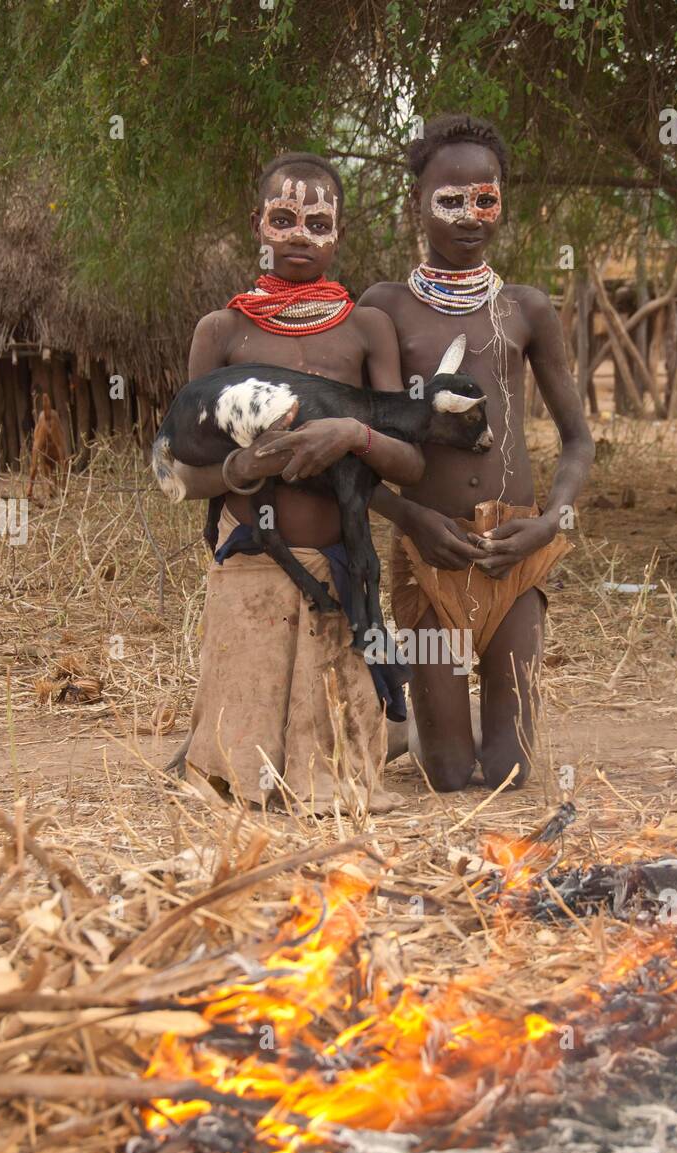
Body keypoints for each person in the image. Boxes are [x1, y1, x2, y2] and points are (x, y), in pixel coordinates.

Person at [168, 152, 422, 813]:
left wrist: (353, 436)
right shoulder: (221, 331)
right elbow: (174, 470)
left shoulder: (368, 330)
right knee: (237, 778)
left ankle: (378, 737)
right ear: (259, 225)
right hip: (251, 569)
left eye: (317, 221)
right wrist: (238, 468)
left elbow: (411, 459)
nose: (301, 234)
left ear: (339, 232)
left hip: (338, 577)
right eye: (284, 218)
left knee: (334, 776)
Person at [361, 114, 594, 792]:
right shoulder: (382, 310)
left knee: (508, 772)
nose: (470, 216)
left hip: (513, 554)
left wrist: (549, 520)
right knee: (451, 774)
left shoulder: (525, 309)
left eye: (485, 199)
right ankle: (409, 725)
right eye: (450, 200)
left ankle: (445, 716)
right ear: (417, 206)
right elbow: (351, 450)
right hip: (430, 554)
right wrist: (409, 520)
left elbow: (577, 438)